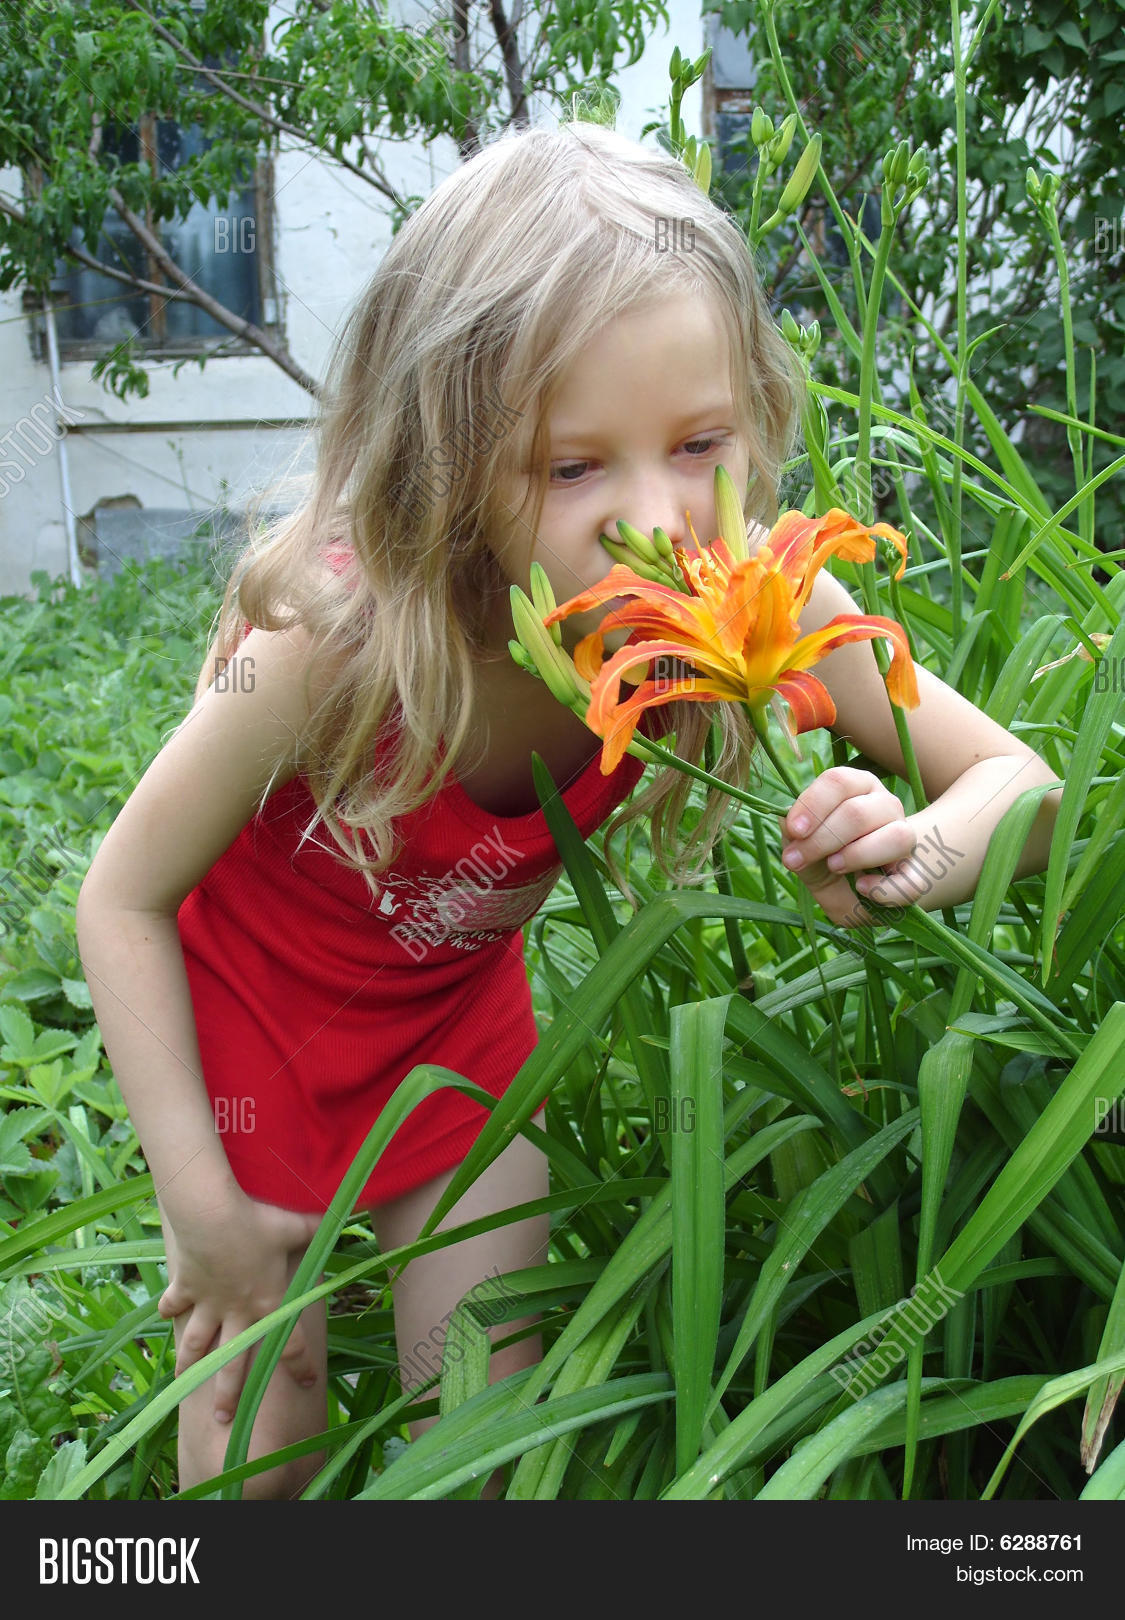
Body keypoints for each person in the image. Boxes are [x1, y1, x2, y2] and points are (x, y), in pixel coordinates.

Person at [75, 118, 1063, 1501]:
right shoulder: (331, 634)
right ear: (444, 451)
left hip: (457, 1037)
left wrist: (914, 850)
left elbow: (1019, 781)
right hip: (253, 1038)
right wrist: (199, 1203)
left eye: (699, 441)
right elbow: (117, 898)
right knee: (258, 1437)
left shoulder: (751, 600)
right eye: (569, 466)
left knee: (482, 1418)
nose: (653, 519)